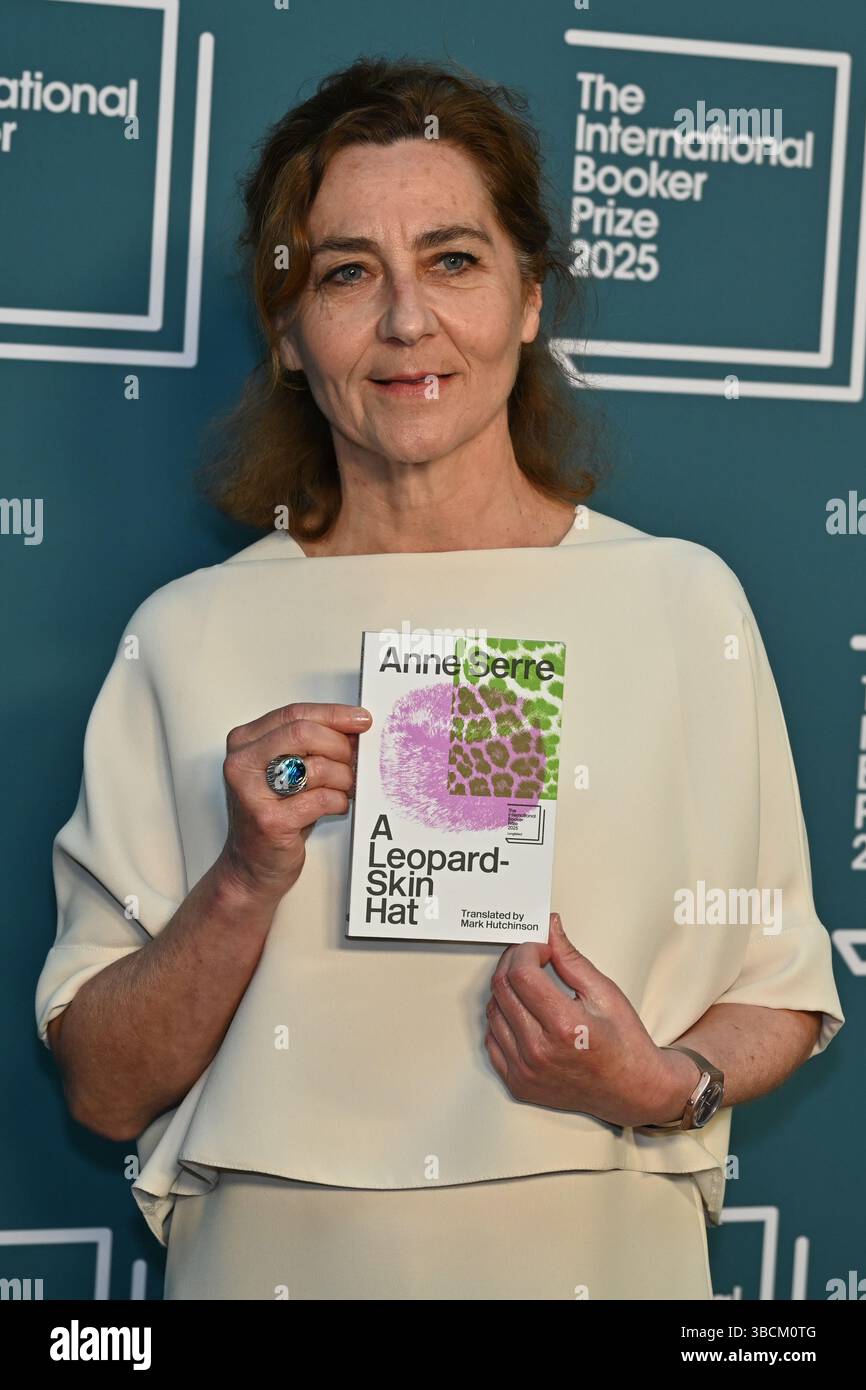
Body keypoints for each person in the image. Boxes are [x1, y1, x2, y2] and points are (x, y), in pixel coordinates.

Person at [35, 57, 845, 1301]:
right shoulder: (188, 635)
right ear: (289, 334)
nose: (407, 320)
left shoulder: (682, 604)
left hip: (599, 1260)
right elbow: (102, 1083)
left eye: (454, 260)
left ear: (529, 299)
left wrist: (654, 1082)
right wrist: (246, 877)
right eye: (348, 272)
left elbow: (778, 987)